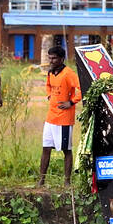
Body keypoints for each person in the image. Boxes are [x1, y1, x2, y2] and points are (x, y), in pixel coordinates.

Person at [38, 45, 80, 188]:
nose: (51, 60)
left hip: (64, 119)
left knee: (66, 150)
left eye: (54, 58)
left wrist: (71, 101)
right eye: (50, 58)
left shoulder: (68, 73)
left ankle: (67, 181)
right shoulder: (50, 72)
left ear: (62, 59)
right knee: (46, 148)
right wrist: (50, 95)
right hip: (51, 117)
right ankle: (41, 180)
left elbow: (80, 89)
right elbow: (48, 86)